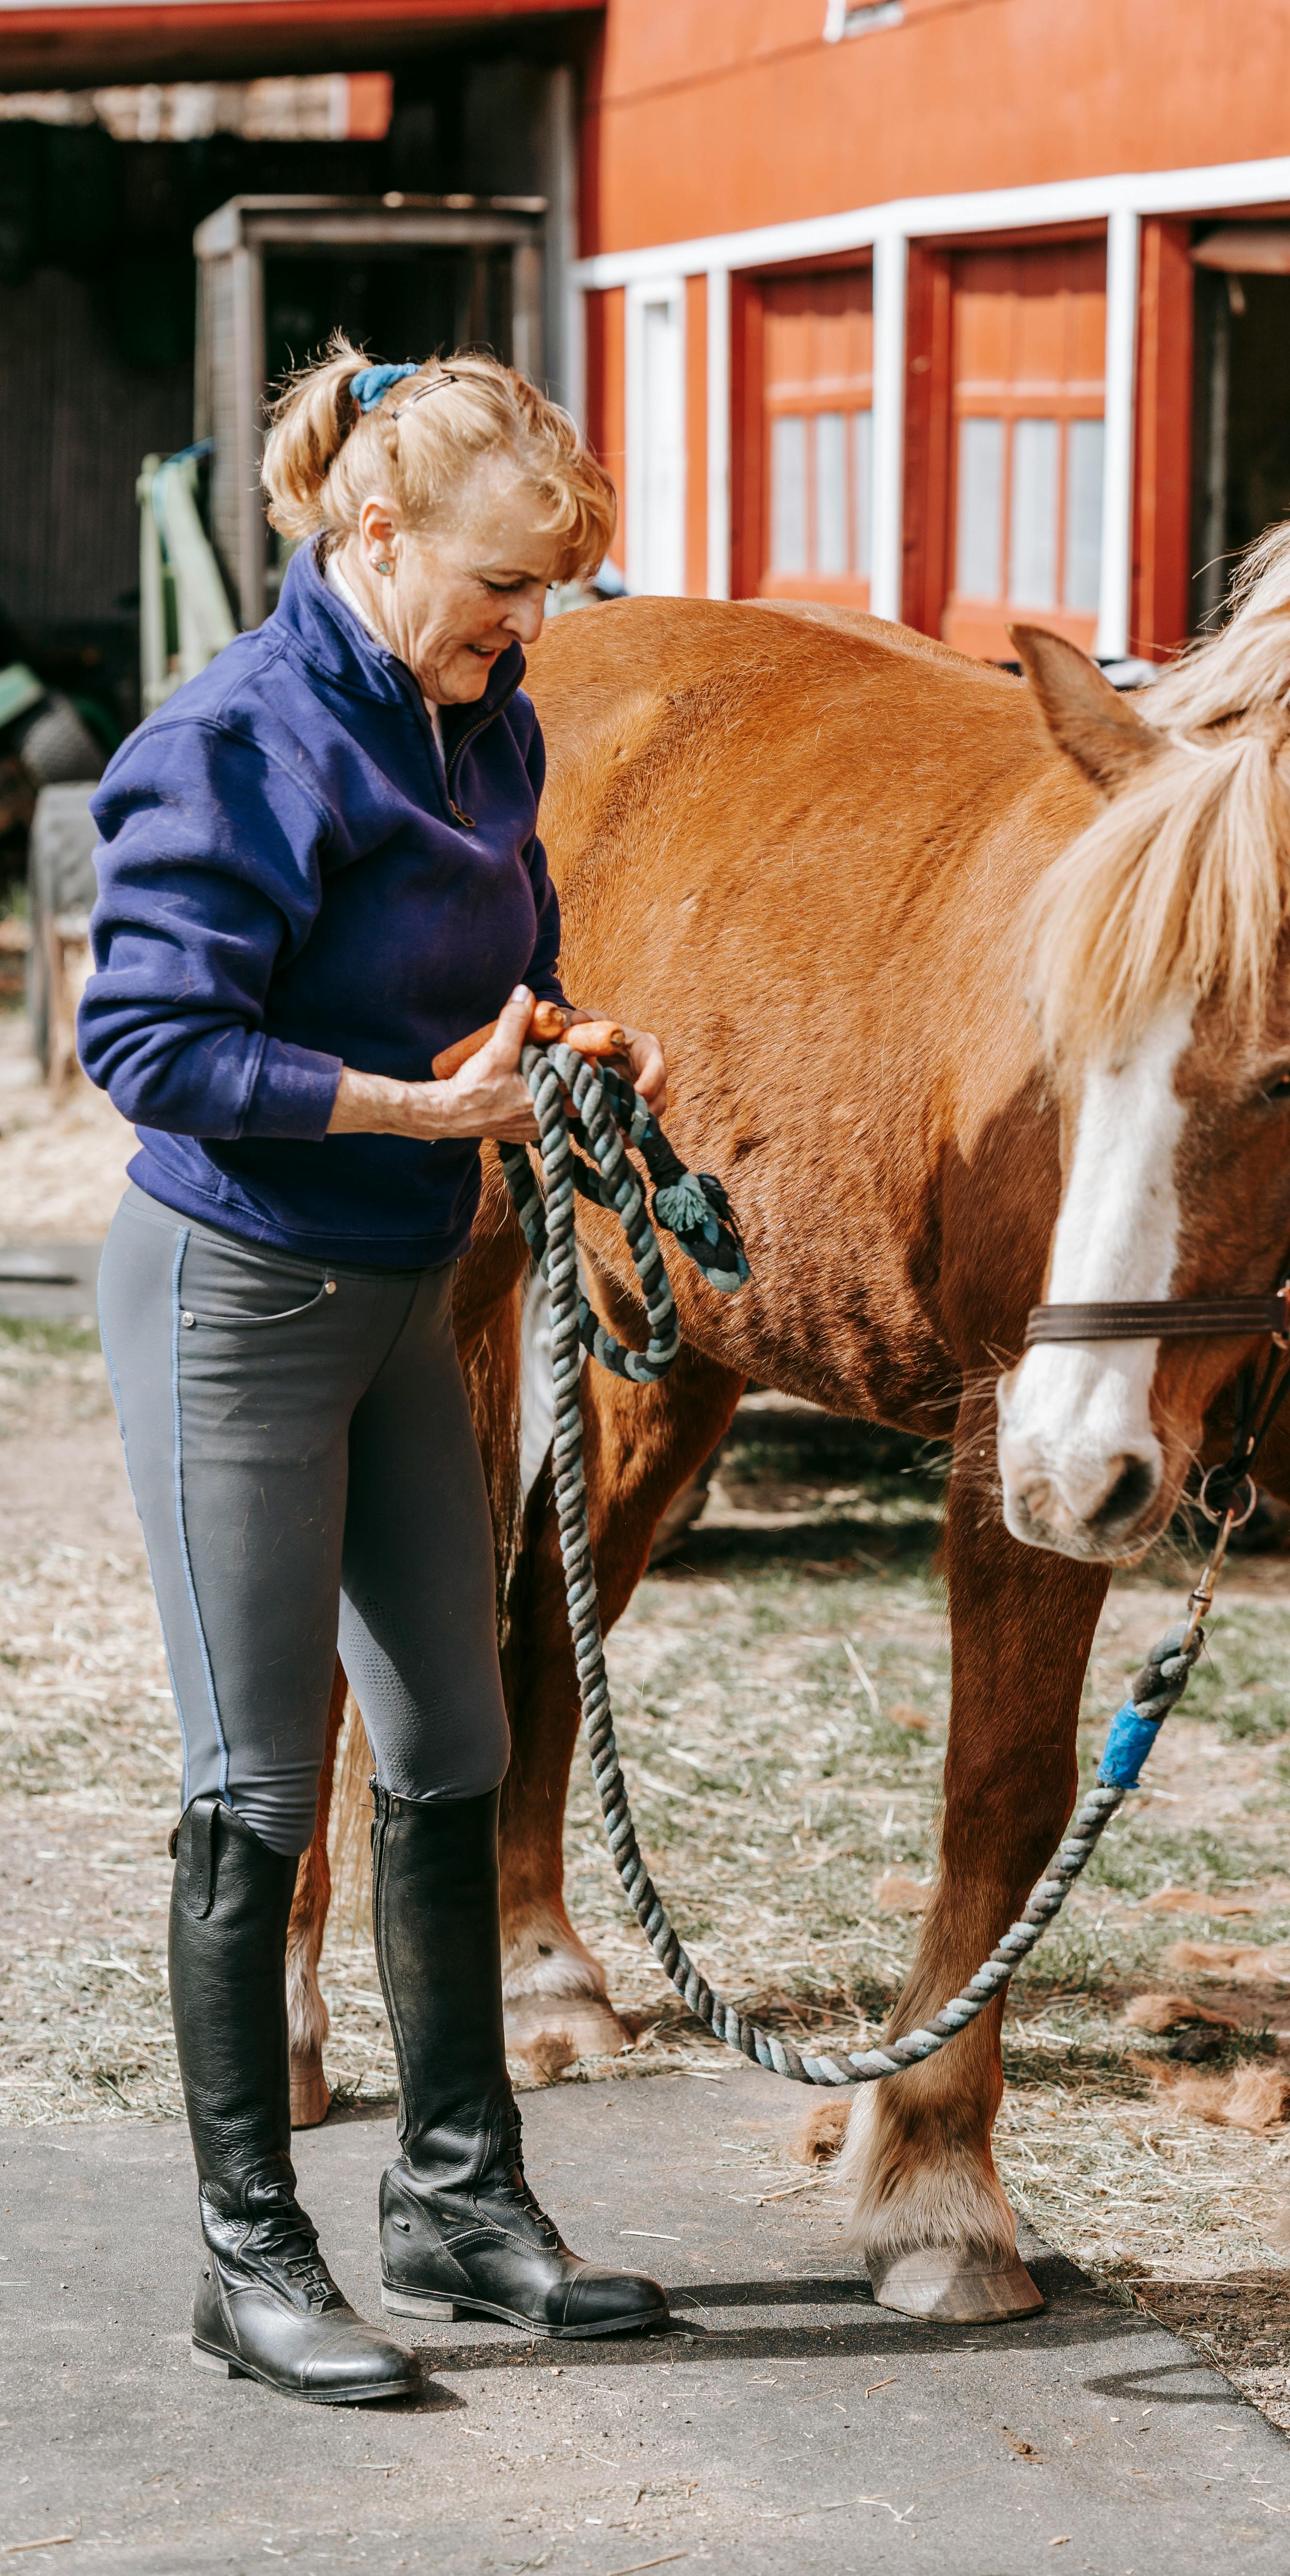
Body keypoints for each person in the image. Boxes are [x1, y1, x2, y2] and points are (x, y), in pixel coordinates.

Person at [79, 342, 671, 2405]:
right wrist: (417, 1122)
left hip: (398, 1297)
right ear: (375, 531)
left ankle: (457, 2196)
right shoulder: (232, 739)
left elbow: (499, 953)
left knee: (448, 1736)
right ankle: (248, 2260)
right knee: (258, 1788)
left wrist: (566, 1037)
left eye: (551, 594)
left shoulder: (476, 715)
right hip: (234, 1295)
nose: (534, 629)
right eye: (508, 585)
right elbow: (144, 1049)